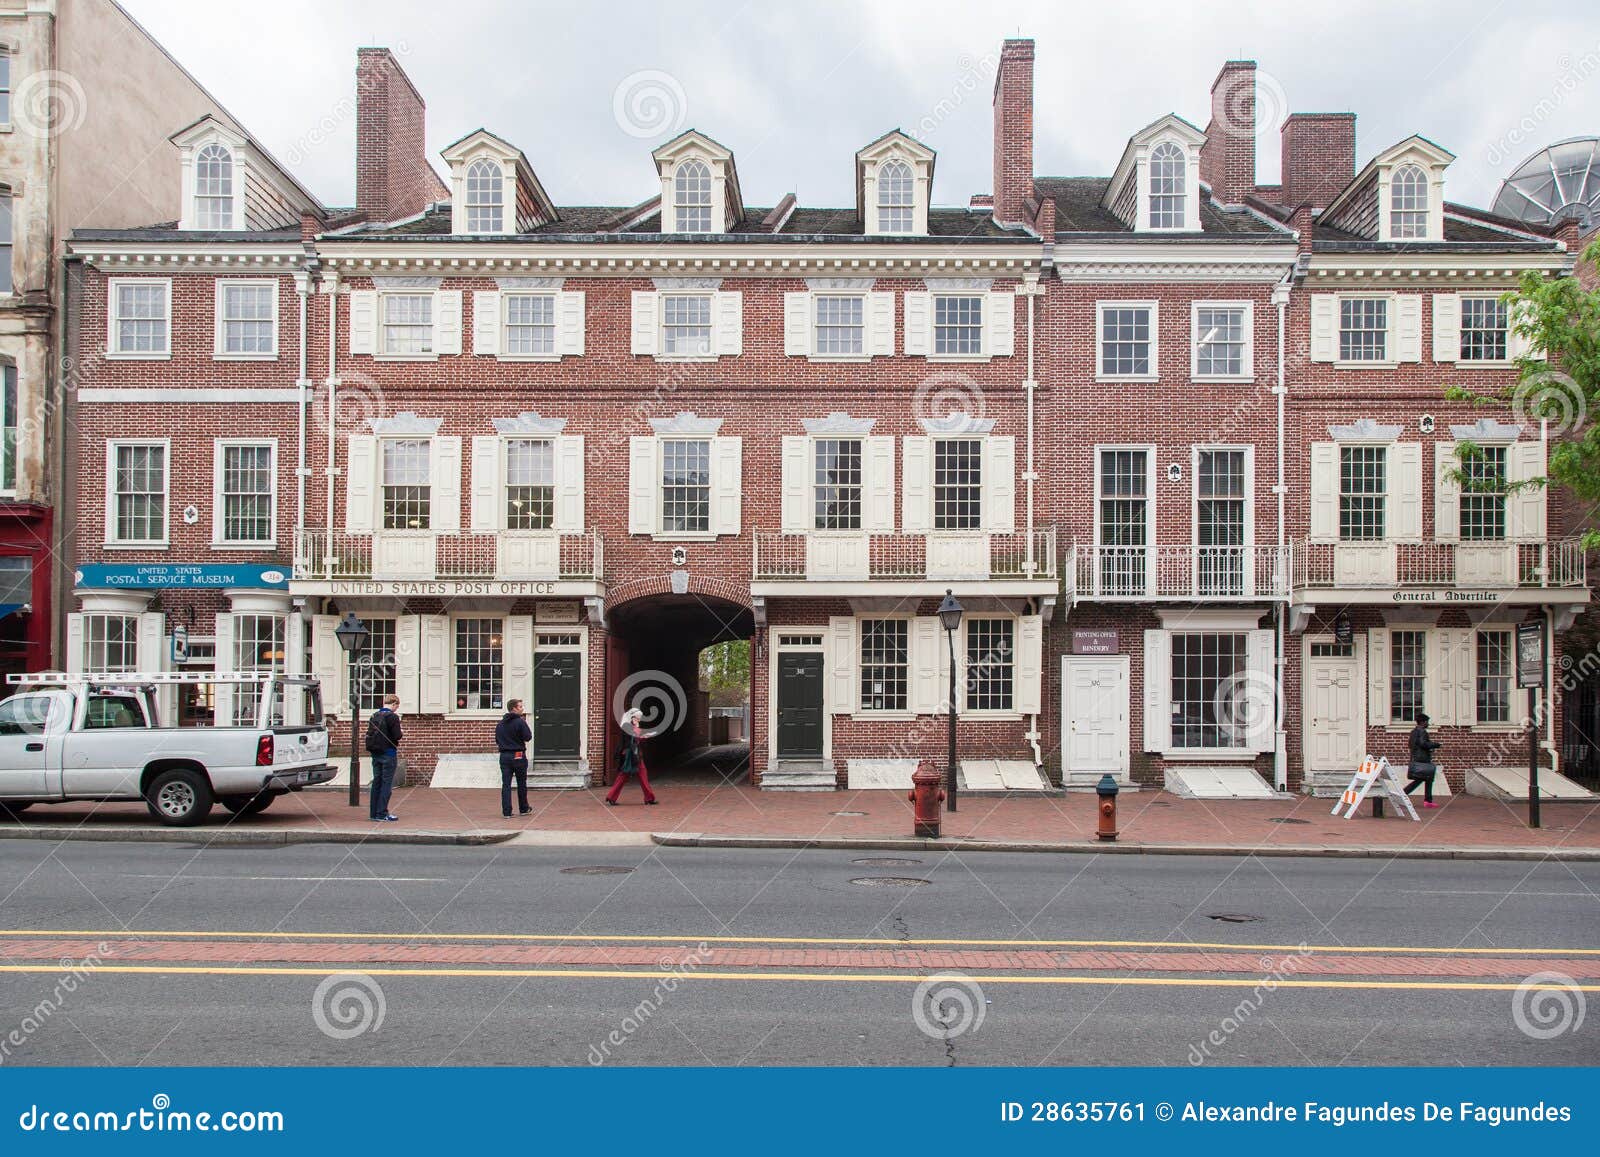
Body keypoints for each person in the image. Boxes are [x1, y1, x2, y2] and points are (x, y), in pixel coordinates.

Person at [605, 707, 658, 806]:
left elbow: (637, 739)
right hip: (630, 755)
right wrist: (638, 729)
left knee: (641, 775)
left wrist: (645, 735)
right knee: (624, 776)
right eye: (638, 718)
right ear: (633, 717)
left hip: (636, 755)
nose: (639, 720)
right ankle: (611, 797)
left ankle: (649, 798)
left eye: (639, 718)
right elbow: (633, 739)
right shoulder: (626, 726)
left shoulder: (631, 725)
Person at [364, 694, 403, 822]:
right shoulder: (392, 717)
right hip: (388, 753)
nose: (397, 708)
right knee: (386, 784)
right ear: (394, 703)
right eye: (397, 705)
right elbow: (397, 736)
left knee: (377, 782)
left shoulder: (374, 715)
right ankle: (382, 813)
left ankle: (373, 813)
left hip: (376, 753)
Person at [496, 699, 534, 818]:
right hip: (518, 755)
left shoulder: (500, 724)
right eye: (520, 707)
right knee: (521, 783)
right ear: (514, 708)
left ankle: (506, 811)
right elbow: (528, 737)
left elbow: (497, 740)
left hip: (504, 756)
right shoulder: (520, 722)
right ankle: (523, 808)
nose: (522, 709)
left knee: (506, 784)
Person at [1403, 710, 1441, 808]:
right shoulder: (1422, 731)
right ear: (1423, 722)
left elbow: (1412, 745)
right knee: (1423, 778)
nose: (1428, 724)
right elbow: (1423, 743)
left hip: (1416, 758)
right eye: (1427, 722)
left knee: (1426, 778)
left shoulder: (1413, 732)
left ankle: (1427, 800)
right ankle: (1404, 794)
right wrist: (1435, 745)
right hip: (1423, 759)